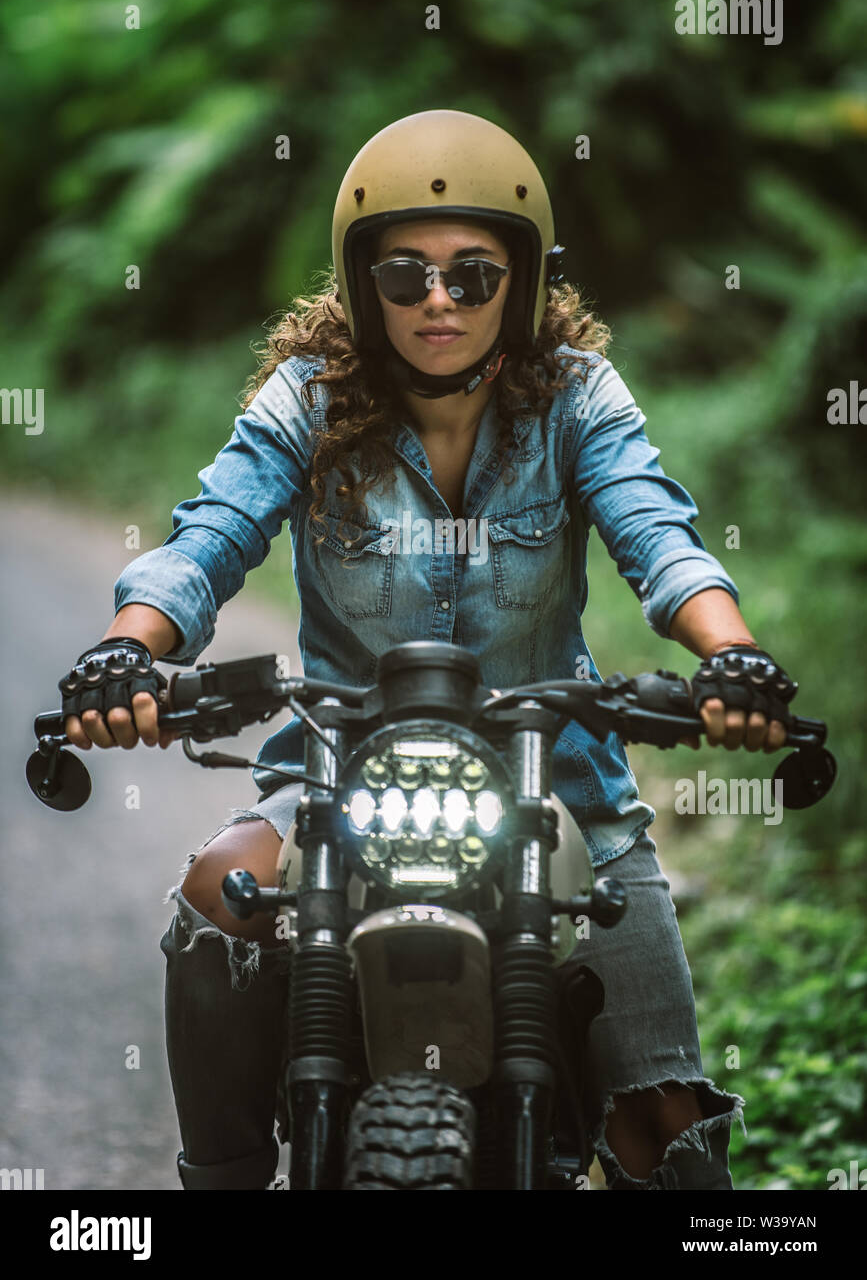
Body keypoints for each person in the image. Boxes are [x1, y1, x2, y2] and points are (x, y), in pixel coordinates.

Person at [59, 109, 798, 1191]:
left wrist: (732, 658)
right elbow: (209, 535)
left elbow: (659, 535)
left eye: (473, 273)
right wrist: (127, 651)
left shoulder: (578, 400)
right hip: (342, 780)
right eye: (405, 274)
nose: (439, 300)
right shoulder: (307, 402)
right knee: (221, 892)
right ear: (365, 284)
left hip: (562, 787)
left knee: (667, 1134)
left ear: (526, 282)